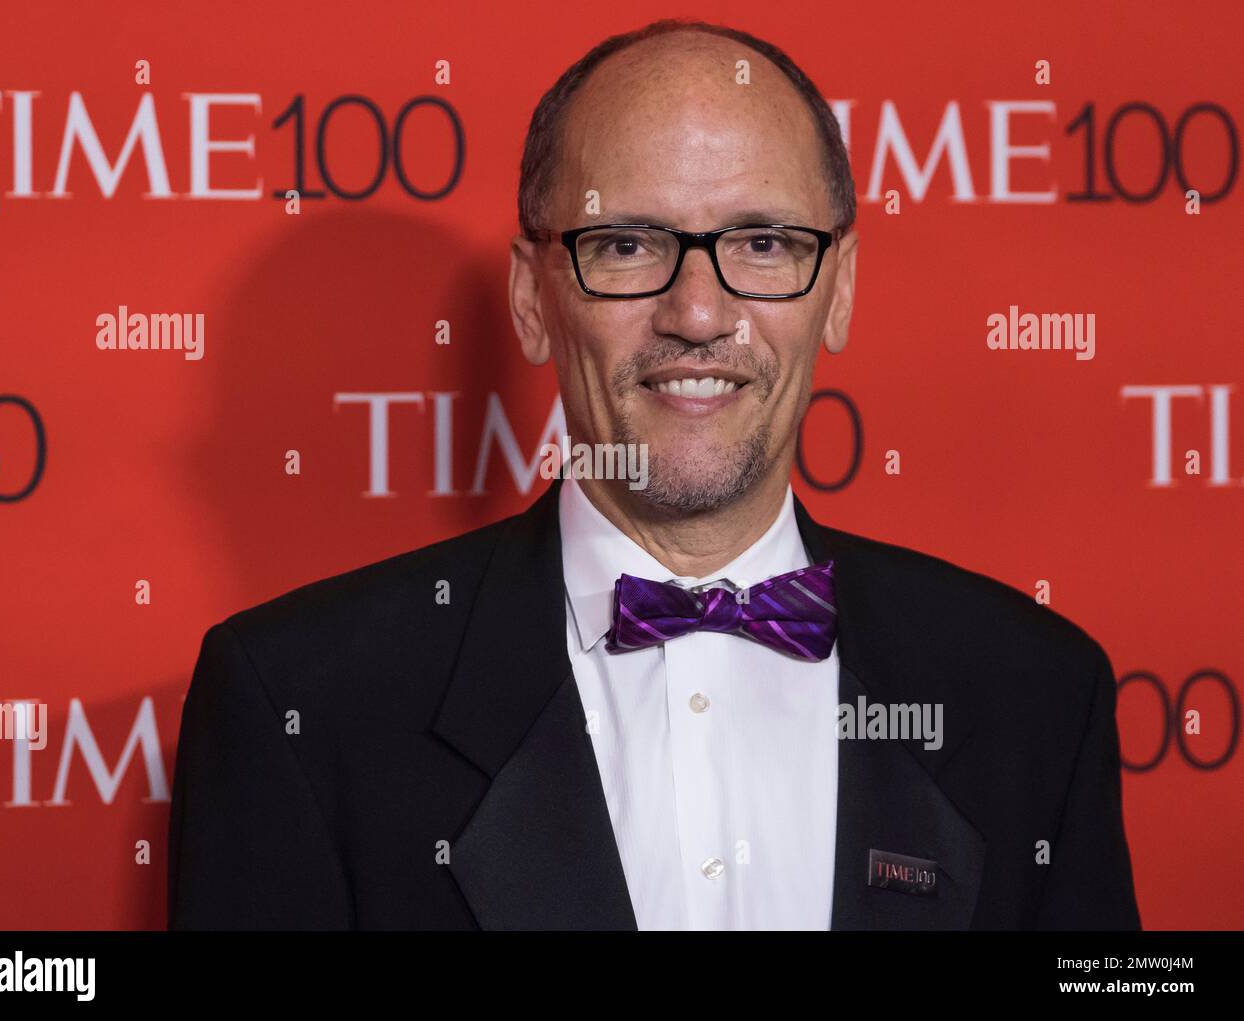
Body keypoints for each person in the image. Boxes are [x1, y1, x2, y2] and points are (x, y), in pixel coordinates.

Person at [167, 17, 1140, 930]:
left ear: (837, 289)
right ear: (533, 297)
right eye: (627, 244)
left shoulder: (1035, 695)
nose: (699, 314)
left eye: (763, 243)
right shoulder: (300, 705)